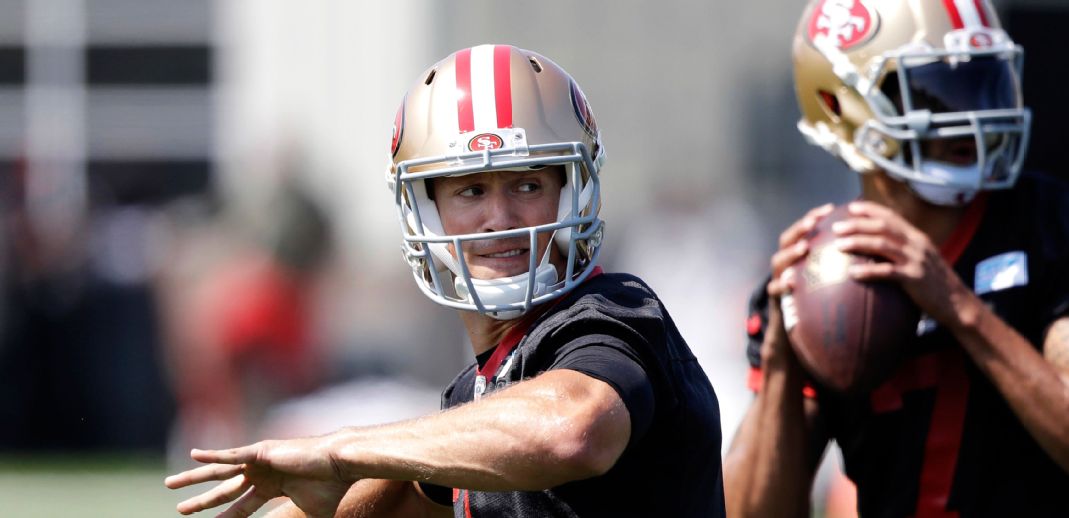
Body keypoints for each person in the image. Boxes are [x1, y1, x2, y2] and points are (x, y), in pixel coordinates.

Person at [165, 45, 726, 518]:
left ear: (573, 193)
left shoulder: (615, 316)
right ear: (426, 215)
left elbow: (570, 431)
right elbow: (404, 488)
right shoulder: (477, 395)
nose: (499, 219)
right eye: (471, 191)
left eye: (527, 185)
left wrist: (340, 452)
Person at [723, 1, 1069, 517]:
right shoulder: (821, 272)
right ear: (840, 105)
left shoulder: (1057, 234)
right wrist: (782, 360)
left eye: (983, 82)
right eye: (938, 91)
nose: (973, 114)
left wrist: (957, 305)